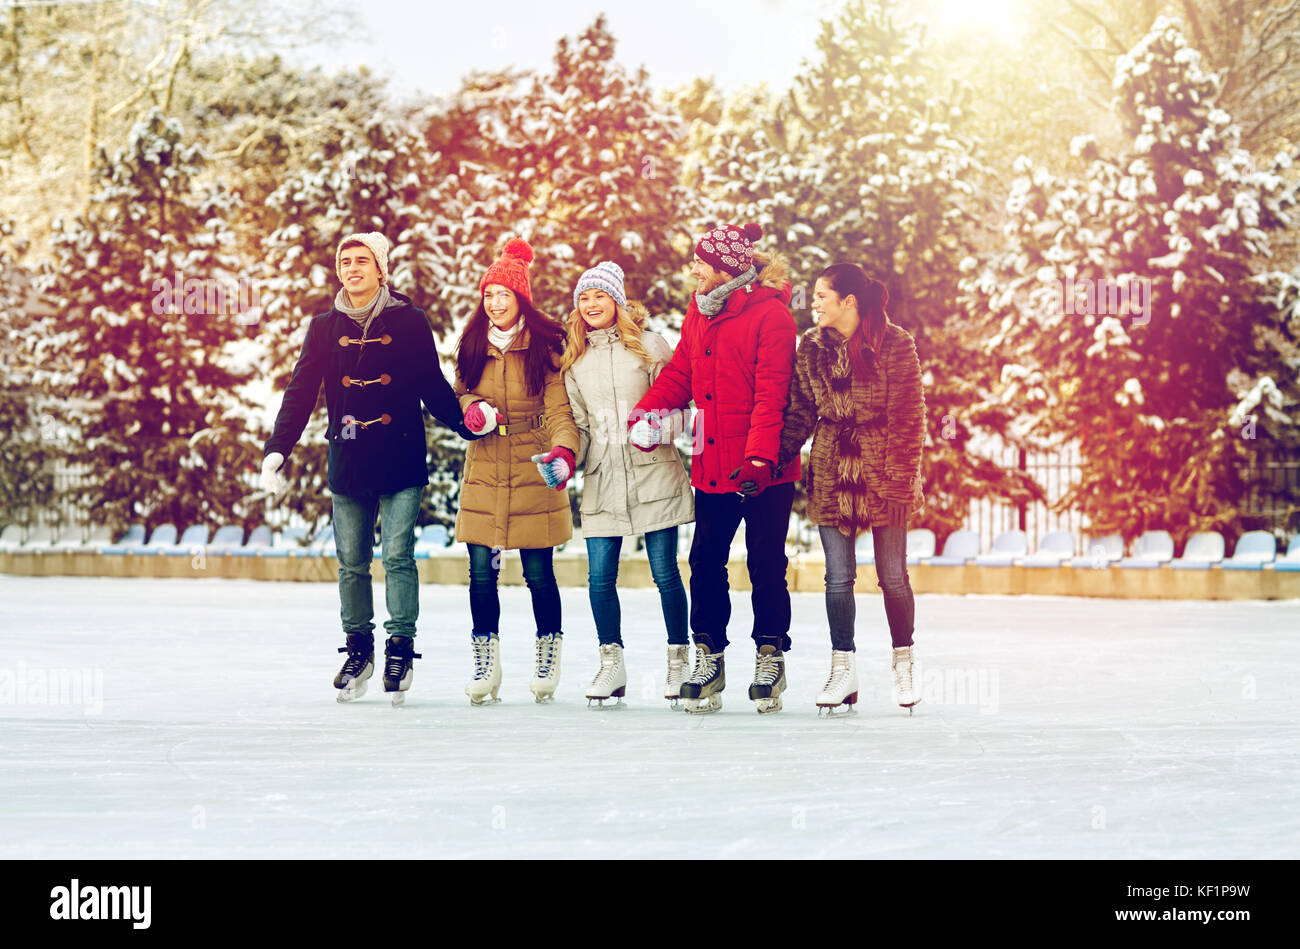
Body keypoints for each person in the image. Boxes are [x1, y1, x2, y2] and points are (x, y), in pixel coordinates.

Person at [261, 231, 476, 706]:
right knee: (352, 563)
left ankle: (400, 648)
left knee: (398, 556)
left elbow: (431, 384)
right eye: (345, 261)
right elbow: (299, 393)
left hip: (399, 457)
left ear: (381, 269)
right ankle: (359, 649)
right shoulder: (323, 327)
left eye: (363, 261)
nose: (352, 268)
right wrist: (278, 448)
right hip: (350, 458)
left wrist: (466, 423)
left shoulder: (410, 321)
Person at [630, 223, 800, 714]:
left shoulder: (772, 317)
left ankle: (770, 653)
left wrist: (760, 458)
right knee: (705, 563)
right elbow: (682, 371)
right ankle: (709, 655)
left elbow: (772, 395)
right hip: (712, 464)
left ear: (724, 268)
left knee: (767, 562)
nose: (693, 270)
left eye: (700, 263)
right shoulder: (700, 312)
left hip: (763, 469)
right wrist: (648, 412)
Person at [776, 264, 926, 715]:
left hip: (884, 470)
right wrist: (770, 458)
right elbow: (801, 411)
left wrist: (901, 481)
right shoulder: (811, 348)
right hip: (831, 468)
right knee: (837, 578)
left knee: (892, 576)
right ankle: (843, 668)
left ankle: (904, 662)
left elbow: (909, 417)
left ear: (849, 302)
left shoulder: (896, 344)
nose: (814, 304)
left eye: (822, 296)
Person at [560, 261, 694, 708]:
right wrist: (565, 460)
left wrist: (659, 429)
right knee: (599, 578)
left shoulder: (652, 346)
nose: (591, 304)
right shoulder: (574, 358)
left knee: (664, 573)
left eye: (599, 296)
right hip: (602, 477)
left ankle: (679, 660)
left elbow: (683, 410)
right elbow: (577, 426)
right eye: (584, 297)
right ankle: (611, 662)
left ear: (617, 301)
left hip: (654, 471)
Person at [454, 237, 580, 705]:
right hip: (485, 465)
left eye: (504, 295)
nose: (495, 303)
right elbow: (459, 391)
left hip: (534, 463)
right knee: (481, 573)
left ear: (520, 299)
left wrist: (564, 453)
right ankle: (485, 661)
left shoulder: (545, 347)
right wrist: (471, 409)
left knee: (537, 571)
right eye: (489, 295)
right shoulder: (471, 343)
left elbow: (561, 410)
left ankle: (548, 653)